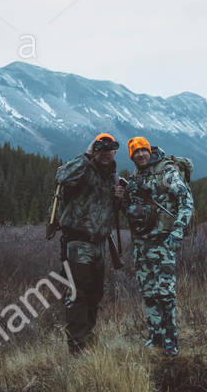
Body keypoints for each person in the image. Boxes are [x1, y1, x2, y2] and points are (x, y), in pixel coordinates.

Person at [121, 137, 193, 355]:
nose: (140, 155)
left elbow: (186, 201)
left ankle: (171, 339)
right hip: (142, 243)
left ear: (149, 151)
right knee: (148, 291)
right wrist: (123, 197)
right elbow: (133, 210)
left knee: (165, 291)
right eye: (136, 153)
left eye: (143, 151)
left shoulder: (166, 171)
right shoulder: (135, 177)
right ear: (132, 156)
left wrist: (178, 231)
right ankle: (156, 335)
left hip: (163, 241)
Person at [54, 133, 122, 354]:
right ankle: (76, 346)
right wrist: (86, 154)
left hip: (100, 244)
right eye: (101, 148)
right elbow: (62, 176)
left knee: (95, 293)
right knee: (77, 294)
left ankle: (87, 338)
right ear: (94, 149)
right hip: (78, 243)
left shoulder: (111, 177)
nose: (105, 152)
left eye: (110, 148)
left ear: (114, 151)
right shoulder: (83, 169)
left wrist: (120, 196)